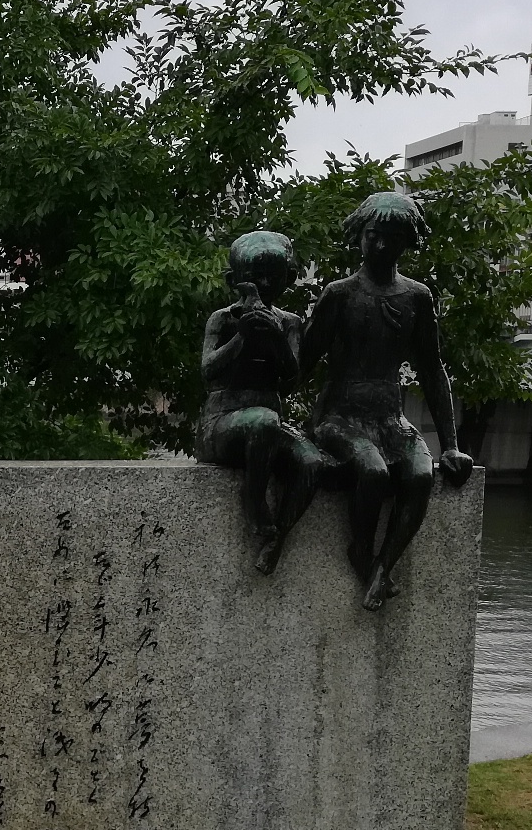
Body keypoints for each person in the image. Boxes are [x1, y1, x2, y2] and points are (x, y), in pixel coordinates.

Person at [299, 191, 474, 609]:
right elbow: (302, 362)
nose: (380, 246)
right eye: (374, 235)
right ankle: (360, 548)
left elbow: (433, 371)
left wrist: (450, 444)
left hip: (390, 417)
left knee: (419, 475)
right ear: (359, 235)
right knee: (374, 473)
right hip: (340, 415)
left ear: (405, 244)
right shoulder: (338, 294)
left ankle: (381, 568)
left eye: (392, 239)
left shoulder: (417, 297)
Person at [193, 231, 326, 574]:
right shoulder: (223, 319)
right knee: (263, 420)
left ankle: (277, 536)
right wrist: (242, 337)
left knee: (312, 462)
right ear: (233, 281)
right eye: (255, 278)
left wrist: (278, 339)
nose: (265, 284)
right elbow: (207, 371)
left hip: (267, 422)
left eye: (274, 276)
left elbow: (292, 381)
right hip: (221, 424)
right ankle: (254, 504)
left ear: (289, 279)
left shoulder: (290, 323)